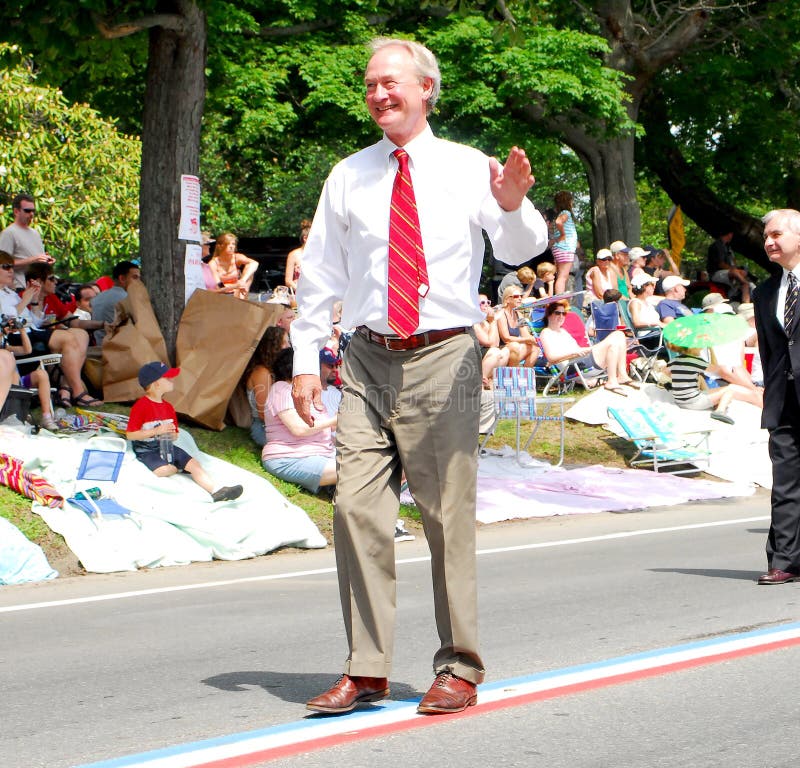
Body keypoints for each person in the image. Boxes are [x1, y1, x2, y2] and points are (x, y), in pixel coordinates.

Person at [292, 38, 548, 716]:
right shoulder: (349, 174)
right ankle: (367, 669)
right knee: (355, 508)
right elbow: (319, 274)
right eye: (371, 83)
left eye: (391, 82)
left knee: (444, 516)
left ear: (427, 88)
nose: (379, 94)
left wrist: (516, 204)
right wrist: (302, 358)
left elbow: (522, 249)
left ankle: (459, 667)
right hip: (367, 356)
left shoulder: (469, 167)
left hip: (445, 355)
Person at [753, 209, 800, 584]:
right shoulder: (765, 291)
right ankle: (784, 560)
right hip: (784, 399)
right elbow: (771, 351)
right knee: (785, 483)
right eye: (766, 235)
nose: (769, 241)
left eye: (777, 234)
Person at [126, 361, 243, 502]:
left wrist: (171, 434)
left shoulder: (168, 408)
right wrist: (156, 431)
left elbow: (175, 435)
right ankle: (177, 468)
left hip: (167, 446)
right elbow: (130, 435)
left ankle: (216, 491)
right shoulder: (141, 406)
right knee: (163, 470)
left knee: (194, 464)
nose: (172, 380)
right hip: (147, 449)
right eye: (168, 378)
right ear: (156, 384)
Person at [262, 347, 337, 493]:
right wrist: (333, 421)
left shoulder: (308, 393)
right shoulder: (282, 389)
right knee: (356, 470)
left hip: (321, 454)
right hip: (290, 457)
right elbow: (298, 429)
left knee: (365, 461)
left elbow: (328, 430)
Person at [538, 299, 638, 395]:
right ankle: (612, 380)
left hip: (582, 360)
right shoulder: (546, 333)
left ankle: (622, 376)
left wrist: (581, 351)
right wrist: (574, 353)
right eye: (557, 313)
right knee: (616, 336)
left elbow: (577, 349)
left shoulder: (563, 331)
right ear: (549, 315)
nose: (561, 316)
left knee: (619, 335)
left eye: (563, 313)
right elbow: (551, 358)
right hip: (573, 368)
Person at [665, 342, 761, 424]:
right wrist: (712, 353)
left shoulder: (674, 361)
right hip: (693, 401)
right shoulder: (696, 361)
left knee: (708, 387)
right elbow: (716, 369)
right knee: (730, 390)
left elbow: (667, 372)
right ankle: (720, 411)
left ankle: (716, 404)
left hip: (680, 400)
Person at [1, 313, 57, 430]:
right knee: (14, 374)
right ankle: (14, 412)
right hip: (6, 382)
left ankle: (46, 416)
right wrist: (3, 332)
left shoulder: (5, 347)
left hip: (17, 382)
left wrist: (21, 329)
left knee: (41, 374)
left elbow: (27, 350)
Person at [243, 326, 289, 446]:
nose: (288, 346)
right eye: (284, 342)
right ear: (272, 346)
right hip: (263, 427)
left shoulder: (271, 370)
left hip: (275, 424)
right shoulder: (262, 372)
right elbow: (264, 413)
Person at [0, 194, 55, 289]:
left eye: (33, 211)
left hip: (37, 288)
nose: (31, 214)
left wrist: (46, 261)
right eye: (27, 211)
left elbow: (37, 260)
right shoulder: (9, 233)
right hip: (19, 287)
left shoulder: (35, 233)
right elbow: (3, 264)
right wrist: (33, 260)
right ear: (16, 211)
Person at [91, 260, 141, 345]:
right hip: (121, 349)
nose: (139, 282)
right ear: (122, 278)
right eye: (135, 277)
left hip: (101, 346)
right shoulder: (127, 298)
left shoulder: (97, 298)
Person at [473, 293, 511, 388]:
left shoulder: (487, 322)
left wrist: (492, 322)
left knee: (505, 352)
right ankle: (481, 380)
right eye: (482, 302)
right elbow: (488, 342)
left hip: (487, 352)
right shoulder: (475, 322)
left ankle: (490, 379)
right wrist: (493, 321)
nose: (486, 305)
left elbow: (496, 343)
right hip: (475, 354)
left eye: (488, 302)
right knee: (495, 352)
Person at [496, 284, 539, 366]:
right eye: (516, 296)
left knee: (535, 349)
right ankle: (513, 374)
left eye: (521, 296)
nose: (520, 298)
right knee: (515, 346)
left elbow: (525, 335)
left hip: (514, 349)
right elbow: (506, 339)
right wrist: (528, 340)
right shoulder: (501, 314)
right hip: (502, 350)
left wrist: (536, 341)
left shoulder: (519, 314)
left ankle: (525, 375)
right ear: (508, 299)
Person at [208, 233, 258, 299]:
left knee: (250, 270)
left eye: (233, 244)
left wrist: (242, 280)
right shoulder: (213, 263)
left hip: (238, 292)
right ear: (220, 246)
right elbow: (219, 286)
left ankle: (243, 298)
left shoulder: (237, 257)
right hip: (222, 293)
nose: (231, 246)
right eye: (228, 244)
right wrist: (235, 286)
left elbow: (255, 263)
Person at [707, 231, 751, 303]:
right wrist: (736, 270)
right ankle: (744, 283)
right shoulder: (717, 245)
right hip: (715, 273)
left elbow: (733, 263)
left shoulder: (728, 247)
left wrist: (739, 270)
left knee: (742, 273)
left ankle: (745, 302)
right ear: (729, 234)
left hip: (727, 273)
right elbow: (721, 264)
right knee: (735, 273)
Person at [550, 190, 578, 295]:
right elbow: (559, 222)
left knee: (560, 276)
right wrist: (563, 234)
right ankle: (560, 300)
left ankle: (558, 297)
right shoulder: (566, 213)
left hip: (560, 248)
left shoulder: (559, 214)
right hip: (566, 248)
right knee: (563, 277)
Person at [284, 219, 311, 292]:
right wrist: (300, 291)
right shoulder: (294, 255)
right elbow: (288, 281)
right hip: (299, 293)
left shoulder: (319, 254)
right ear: (305, 238)